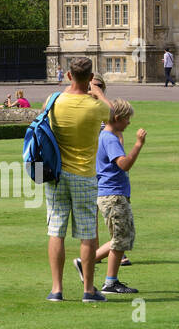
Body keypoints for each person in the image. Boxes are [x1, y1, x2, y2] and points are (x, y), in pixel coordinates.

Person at [43, 56, 112, 302]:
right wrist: (96, 92)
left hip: (56, 174)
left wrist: (68, 88)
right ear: (91, 78)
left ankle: (56, 289)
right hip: (84, 174)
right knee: (87, 233)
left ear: (69, 75)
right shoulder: (96, 107)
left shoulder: (54, 101)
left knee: (56, 230)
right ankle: (88, 290)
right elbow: (113, 114)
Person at [74, 99, 144, 294]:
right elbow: (124, 164)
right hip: (113, 195)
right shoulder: (110, 139)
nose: (129, 122)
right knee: (120, 238)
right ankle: (110, 281)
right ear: (117, 118)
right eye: (127, 118)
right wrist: (139, 144)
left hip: (112, 193)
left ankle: (88, 263)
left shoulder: (106, 136)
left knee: (123, 237)